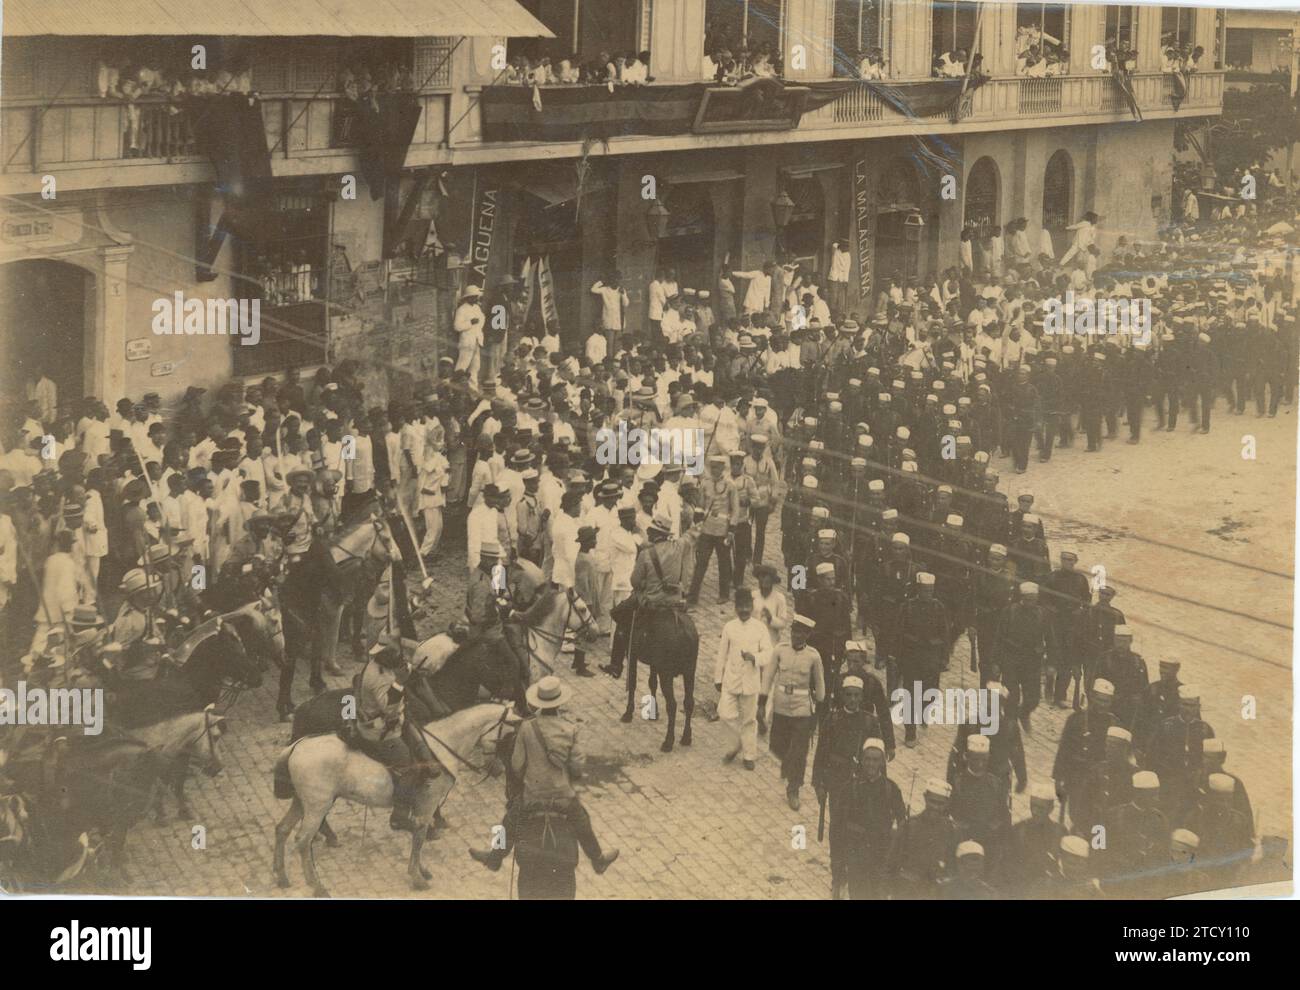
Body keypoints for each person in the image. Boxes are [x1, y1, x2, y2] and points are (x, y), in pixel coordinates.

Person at [470, 675, 619, 891]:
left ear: (538, 702)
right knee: (582, 820)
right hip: (563, 798)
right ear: (560, 703)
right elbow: (577, 768)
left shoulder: (527, 728)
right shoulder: (570, 729)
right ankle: (598, 859)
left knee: (508, 820)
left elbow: (517, 765)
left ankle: (494, 857)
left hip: (532, 797)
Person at [761, 614, 825, 809]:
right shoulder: (780, 651)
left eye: (801, 633)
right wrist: (762, 701)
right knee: (777, 746)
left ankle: (794, 788)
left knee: (799, 751)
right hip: (781, 706)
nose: (796, 636)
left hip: (801, 709)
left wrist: (818, 711)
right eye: (794, 632)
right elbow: (768, 676)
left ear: (807, 635)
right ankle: (787, 765)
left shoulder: (813, 656)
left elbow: (820, 688)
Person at [841, 738, 907, 899]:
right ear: (862, 760)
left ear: (883, 762)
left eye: (876, 760)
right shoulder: (850, 787)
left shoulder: (891, 788)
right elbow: (839, 825)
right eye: (868, 759)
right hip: (856, 853)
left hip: (881, 853)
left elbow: (902, 819)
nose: (871, 764)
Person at [713, 588, 771, 770]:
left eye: (747, 606)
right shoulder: (729, 627)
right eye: (741, 607)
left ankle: (749, 755)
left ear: (752, 606)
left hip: (751, 681)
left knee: (749, 720)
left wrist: (755, 657)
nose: (744, 610)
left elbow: (768, 653)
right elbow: (722, 654)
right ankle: (735, 745)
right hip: (731, 679)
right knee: (725, 713)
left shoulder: (760, 628)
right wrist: (718, 677)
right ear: (736, 607)